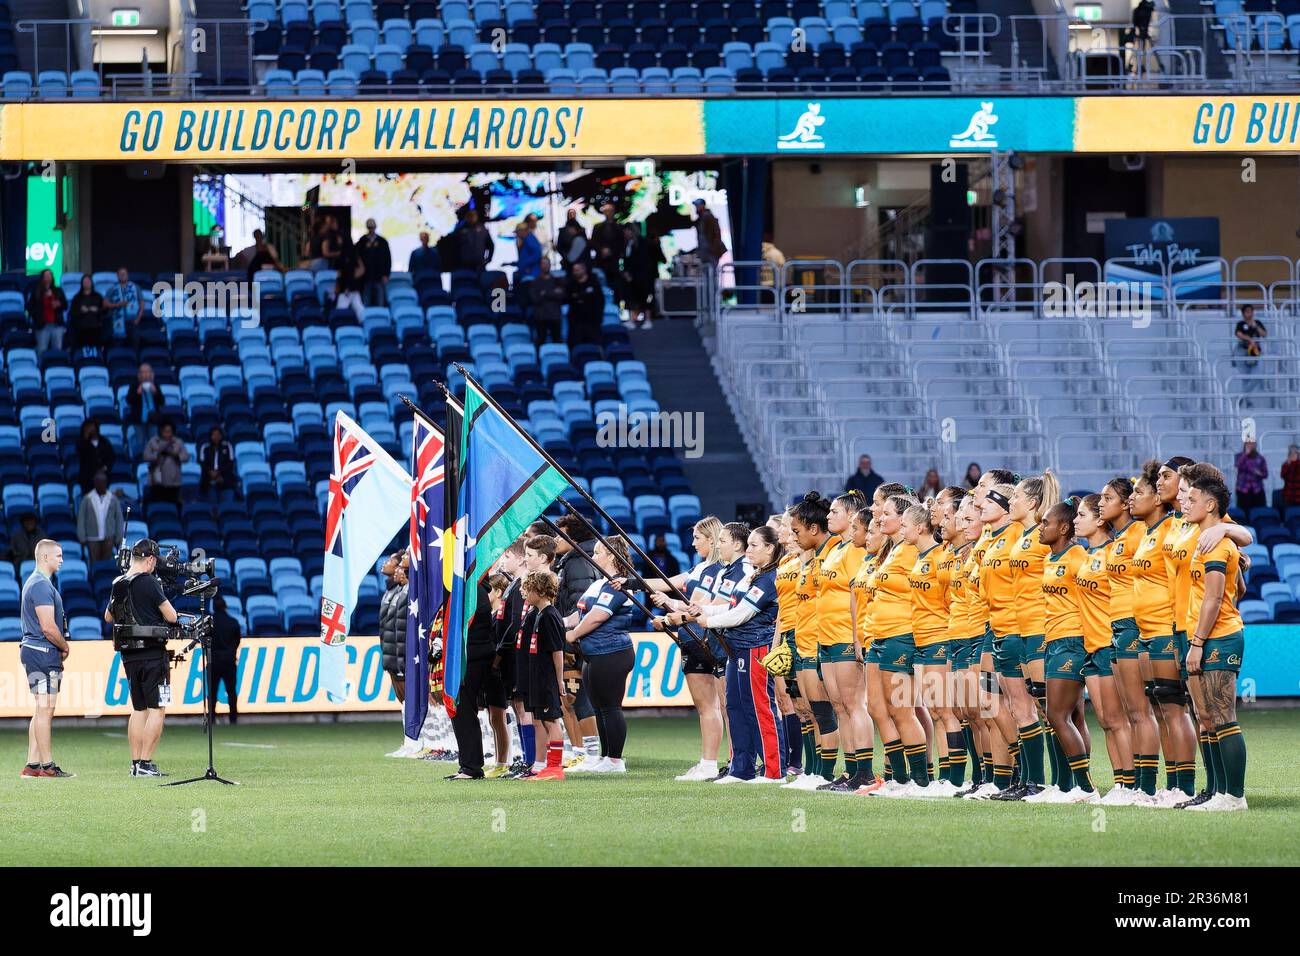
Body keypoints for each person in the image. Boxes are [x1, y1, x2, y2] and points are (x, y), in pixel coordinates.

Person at [668, 526, 787, 783]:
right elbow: (731, 606)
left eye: (755, 545)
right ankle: (740, 768)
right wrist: (704, 612)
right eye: (749, 545)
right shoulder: (753, 576)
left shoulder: (768, 579)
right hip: (737, 647)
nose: (749, 550)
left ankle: (774, 771)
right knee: (735, 707)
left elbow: (741, 613)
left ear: (770, 549)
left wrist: (707, 620)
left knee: (760, 707)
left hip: (755, 646)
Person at [1181, 475, 1249, 811]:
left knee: (1223, 715)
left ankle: (1234, 796)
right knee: (1206, 715)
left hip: (1219, 635)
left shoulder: (1219, 544)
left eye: (1192, 499)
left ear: (1210, 505)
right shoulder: (1202, 540)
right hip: (1207, 634)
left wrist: (1196, 643)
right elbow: (1238, 589)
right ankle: (1220, 793)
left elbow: (1214, 597)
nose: (1185, 503)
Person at [1023, 500, 1098, 803]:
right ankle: (1070, 786)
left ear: (1064, 528)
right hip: (1054, 640)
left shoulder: (1078, 557)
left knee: (1056, 714)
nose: (1041, 527)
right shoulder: (1051, 559)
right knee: (1074, 715)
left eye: (1046, 523)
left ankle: (1085, 787)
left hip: (1072, 640)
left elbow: (1095, 594)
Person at [563, 537, 639, 773]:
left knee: (611, 706)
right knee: (600, 707)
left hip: (612, 652)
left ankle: (615, 759)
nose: (593, 557)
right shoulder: (598, 584)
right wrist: (557, 624)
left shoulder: (618, 584)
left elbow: (598, 616)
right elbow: (580, 613)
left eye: (598, 553)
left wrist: (572, 635)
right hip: (595, 653)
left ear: (611, 556)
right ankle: (605, 757)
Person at [105, 539, 179, 777]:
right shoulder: (148, 581)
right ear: (149, 560)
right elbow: (171, 615)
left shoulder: (119, 583)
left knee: (138, 709)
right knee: (158, 709)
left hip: (129, 655)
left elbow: (109, 616)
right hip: (152, 654)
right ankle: (146, 763)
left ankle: (136, 763)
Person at [19, 539, 74, 779]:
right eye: (58, 556)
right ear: (45, 557)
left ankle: (32, 765)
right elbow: (49, 628)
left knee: (40, 709)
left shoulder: (35, 582)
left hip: (35, 651)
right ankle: (47, 766)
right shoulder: (41, 585)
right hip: (43, 652)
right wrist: (64, 646)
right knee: (46, 709)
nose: (62, 560)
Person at [446, 576, 510, 780]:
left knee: (463, 708)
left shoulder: (470, 591)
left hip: (470, 657)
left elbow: (470, 627)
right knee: (469, 709)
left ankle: (471, 766)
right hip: (478, 655)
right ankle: (470, 764)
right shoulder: (478, 589)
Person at [553, 516, 602, 768]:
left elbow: (579, 606)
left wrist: (567, 637)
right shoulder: (570, 562)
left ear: (573, 537)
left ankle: (589, 753)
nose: (555, 540)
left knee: (577, 698)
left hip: (576, 640)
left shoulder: (578, 564)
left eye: (559, 535)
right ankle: (579, 751)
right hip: (573, 638)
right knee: (569, 700)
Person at [521, 569, 568, 781]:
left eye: (527, 588)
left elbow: (557, 651)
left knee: (551, 721)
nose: (524, 592)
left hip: (547, 678)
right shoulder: (539, 614)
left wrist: (559, 681)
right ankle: (549, 766)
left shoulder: (550, 616)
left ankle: (556, 768)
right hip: (538, 678)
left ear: (539, 591)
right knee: (544, 720)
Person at [379, 552, 408, 704]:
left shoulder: (402, 591)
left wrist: (400, 658)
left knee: (409, 702)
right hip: (392, 656)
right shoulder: (391, 591)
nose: (385, 563)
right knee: (403, 704)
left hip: (400, 657)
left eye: (390, 560)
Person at [77, 470, 124, 565]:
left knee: (107, 563)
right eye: (99, 482)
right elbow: (81, 518)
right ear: (95, 483)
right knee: (94, 563)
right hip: (92, 537)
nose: (101, 485)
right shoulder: (87, 498)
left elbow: (119, 518)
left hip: (108, 537)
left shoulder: (112, 499)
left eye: (103, 482)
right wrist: (82, 537)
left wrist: (118, 537)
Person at [208, 595, 241, 726]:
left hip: (214, 661)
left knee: (212, 692)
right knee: (231, 691)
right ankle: (233, 718)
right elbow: (237, 641)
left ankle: (212, 718)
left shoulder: (210, 623)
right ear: (225, 606)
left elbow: (207, 640)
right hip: (229, 661)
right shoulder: (233, 622)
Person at [618, 224, 657, 329]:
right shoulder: (627, 244)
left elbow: (644, 260)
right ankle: (631, 320)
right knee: (630, 297)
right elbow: (626, 260)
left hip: (643, 275)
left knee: (645, 297)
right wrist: (626, 272)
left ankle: (647, 319)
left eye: (627, 231)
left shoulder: (643, 243)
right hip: (631, 275)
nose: (625, 234)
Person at [142, 421, 189, 505]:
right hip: (157, 481)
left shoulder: (178, 442)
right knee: (157, 505)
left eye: (169, 431)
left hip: (173, 482)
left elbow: (185, 457)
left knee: (173, 505)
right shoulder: (153, 441)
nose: (167, 434)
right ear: (160, 431)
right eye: (165, 431)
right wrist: (157, 455)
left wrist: (175, 455)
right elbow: (146, 456)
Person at [27, 268, 67, 353]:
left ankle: (57, 365)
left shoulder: (58, 290)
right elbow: (29, 307)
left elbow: (65, 306)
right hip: (42, 326)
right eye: (46, 275)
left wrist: (58, 304)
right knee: (42, 350)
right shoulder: (36, 291)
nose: (48, 277)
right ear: (42, 278)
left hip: (57, 325)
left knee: (57, 350)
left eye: (50, 275)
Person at [565, 260, 604, 348]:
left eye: (577, 270)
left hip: (592, 321)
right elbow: (567, 298)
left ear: (584, 270)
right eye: (574, 270)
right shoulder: (571, 283)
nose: (575, 272)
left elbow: (600, 301)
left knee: (593, 347)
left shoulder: (593, 282)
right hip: (576, 322)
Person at [526, 258, 566, 345]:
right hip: (541, 317)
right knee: (540, 342)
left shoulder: (557, 281)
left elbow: (561, 296)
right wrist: (553, 293)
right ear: (540, 266)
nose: (546, 266)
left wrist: (544, 293)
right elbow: (535, 299)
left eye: (547, 263)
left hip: (555, 317)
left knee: (557, 342)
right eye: (543, 264)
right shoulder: (535, 282)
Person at [357, 218, 392, 307]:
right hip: (366, 277)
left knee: (380, 300)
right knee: (366, 301)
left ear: (375, 227)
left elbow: (388, 259)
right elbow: (357, 257)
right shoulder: (362, 241)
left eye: (372, 227)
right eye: (369, 227)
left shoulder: (382, 242)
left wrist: (386, 274)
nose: (371, 229)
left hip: (379, 276)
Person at [67, 274, 107, 353]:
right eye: (85, 281)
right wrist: (81, 311)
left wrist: (97, 310)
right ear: (82, 283)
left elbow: (105, 311)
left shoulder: (98, 296)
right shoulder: (77, 298)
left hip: (96, 328)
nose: (87, 283)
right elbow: (72, 313)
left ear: (91, 283)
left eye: (88, 281)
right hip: (81, 328)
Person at [76, 418, 116, 494]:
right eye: (88, 428)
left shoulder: (104, 441)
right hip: (87, 480)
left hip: (103, 479)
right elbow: (80, 452)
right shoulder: (81, 442)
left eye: (92, 428)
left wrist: (105, 467)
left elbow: (111, 457)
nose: (91, 431)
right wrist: (86, 437)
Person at [103, 266, 143, 339]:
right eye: (121, 274)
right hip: (116, 320)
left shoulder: (136, 287)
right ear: (117, 276)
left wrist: (138, 318)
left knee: (135, 342)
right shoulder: (112, 289)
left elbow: (142, 304)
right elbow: (105, 304)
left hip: (133, 321)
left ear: (127, 275)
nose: (123, 275)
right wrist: (118, 304)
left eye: (124, 274)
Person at [591, 203, 624, 291]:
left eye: (610, 211)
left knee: (615, 287)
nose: (608, 213)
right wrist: (601, 250)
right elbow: (593, 242)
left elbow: (621, 243)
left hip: (614, 263)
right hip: (600, 262)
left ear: (613, 212)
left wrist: (611, 251)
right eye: (606, 211)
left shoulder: (619, 227)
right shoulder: (597, 227)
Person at [332, 239, 366, 322]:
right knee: (345, 309)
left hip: (351, 289)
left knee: (359, 308)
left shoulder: (351, 258)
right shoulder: (344, 259)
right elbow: (341, 275)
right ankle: (339, 325)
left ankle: (363, 324)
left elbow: (360, 271)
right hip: (346, 289)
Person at [198, 426, 236, 498]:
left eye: (218, 435)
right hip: (208, 479)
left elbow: (230, 463)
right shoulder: (205, 447)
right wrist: (211, 473)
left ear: (221, 436)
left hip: (224, 478)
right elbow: (202, 463)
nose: (216, 437)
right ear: (210, 436)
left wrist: (219, 472)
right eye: (214, 435)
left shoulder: (228, 446)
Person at [1233, 440, 1268, 514]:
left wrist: (1260, 473)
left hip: (1257, 489)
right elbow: (1238, 465)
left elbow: (1265, 474)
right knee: (1243, 512)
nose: (1250, 446)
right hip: (1243, 489)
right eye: (1248, 444)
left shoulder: (1260, 458)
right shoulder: (1239, 456)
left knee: (1258, 511)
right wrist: (1245, 454)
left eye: (1252, 444)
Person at [456, 208, 494, 273]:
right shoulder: (460, 230)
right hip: (464, 266)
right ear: (466, 217)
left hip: (480, 265)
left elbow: (491, 245)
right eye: (469, 215)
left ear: (476, 216)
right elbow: (454, 247)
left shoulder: (483, 229)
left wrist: (488, 259)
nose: (471, 217)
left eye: (473, 215)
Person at [693, 198, 726, 273]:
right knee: (707, 274)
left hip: (710, 252)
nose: (696, 208)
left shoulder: (707, 216)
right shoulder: (701, 218)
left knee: (711, 273)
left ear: (702, 206)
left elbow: (716, 234)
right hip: (706, 252)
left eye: (697, 206)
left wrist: (713, 249)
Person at [513, 222, 542, 293]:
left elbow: (537, 254)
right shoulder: (526, 240)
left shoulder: (530, 239)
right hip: (527, 275)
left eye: (517, 232)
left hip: (531, 275)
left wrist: (527, 265)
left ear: (523, 231)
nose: (517, 234)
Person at [1283, 444, 1300, 508]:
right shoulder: (1286, 465)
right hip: (1289, 495)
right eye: (1291, 453)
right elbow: (1283, 476)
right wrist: (1289, 464)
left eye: (1295, 452)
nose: (1293, 455)